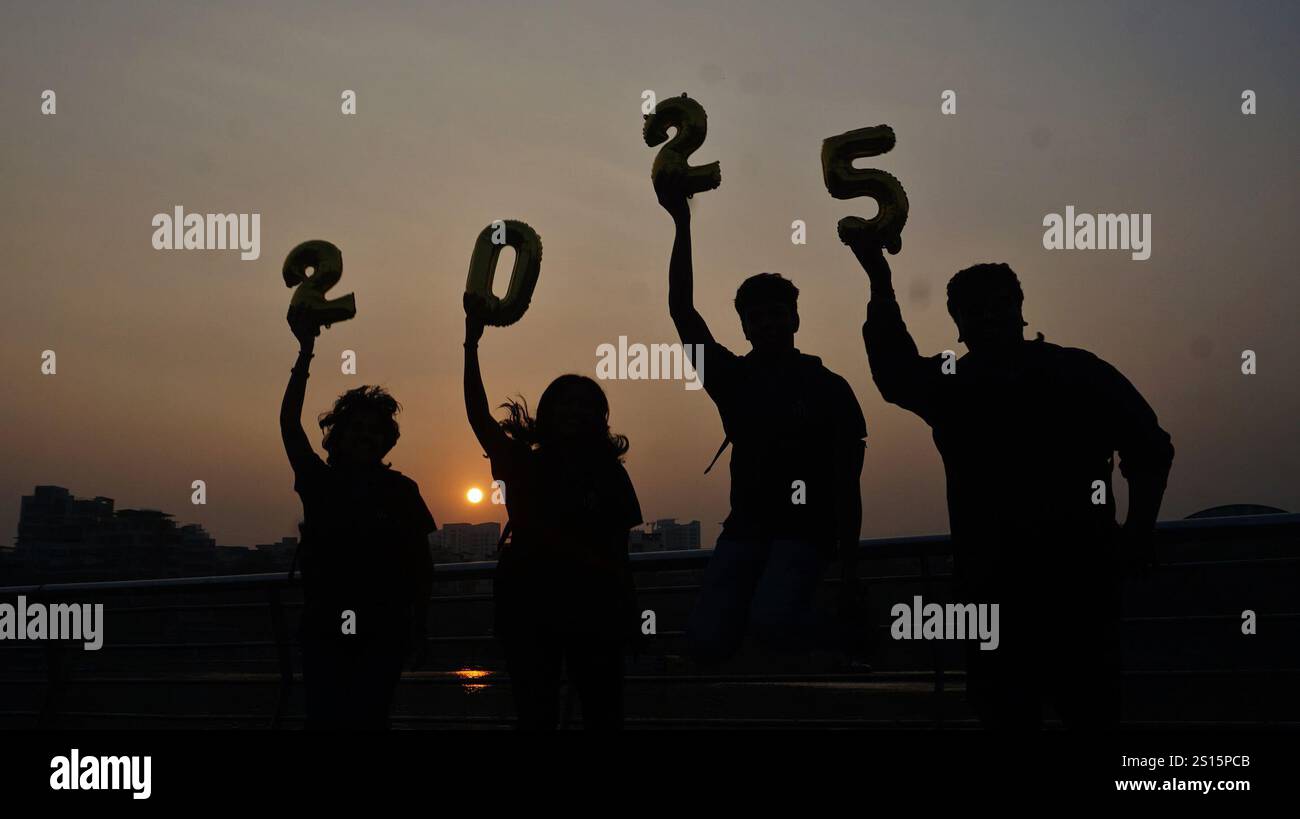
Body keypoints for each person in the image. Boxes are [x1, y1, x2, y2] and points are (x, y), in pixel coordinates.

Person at [848, 234, 1174, 729]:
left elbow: (1149, 449)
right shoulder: (1070, 371)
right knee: (1072, 710)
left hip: (1041, 584)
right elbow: (1149, 449)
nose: (988, 318)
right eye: (975, 310)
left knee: (1044, 712)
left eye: (996, 307)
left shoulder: (965, 382)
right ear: (958, 321)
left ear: (1018, 309)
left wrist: (1138, 530)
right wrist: (1137, 530)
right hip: (1052, 582)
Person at [656, 184, 868, 664]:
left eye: (777, 314)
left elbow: (847, 482)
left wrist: (850, 566)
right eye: (757, 317)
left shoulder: (829, 388)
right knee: (706, 642)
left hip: (806, 532)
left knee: (772, 623)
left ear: (795, 319)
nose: (768, 324)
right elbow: (682, 312)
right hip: (744, 531)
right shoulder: (732, 379)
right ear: (745, 327)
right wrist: (681, 223)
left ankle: (837, 645)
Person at [462, 294, 642, 730]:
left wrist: (627, 609)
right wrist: (471, 344)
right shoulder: (522, 461)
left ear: (600, 419)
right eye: (566, 402)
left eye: (587, 404)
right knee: (535, 707)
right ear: (548, 412)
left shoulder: (610, 474)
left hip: (595, 605)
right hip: (530, 603)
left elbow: (620, 549)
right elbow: (479, 417)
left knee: (603, 708)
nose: (575, 411)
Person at [281, 304, 436, 730]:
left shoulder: (402, 491)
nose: (366, 438)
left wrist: (421, 629)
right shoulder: (318, 481)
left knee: (370, 717)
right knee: (327, 718)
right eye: (357, 430)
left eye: (375, 432)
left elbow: (421, 567)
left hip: (384, 629)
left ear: (387, 442)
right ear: (338, 437)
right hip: (325, 627)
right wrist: (305, 353)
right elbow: (290, 426)